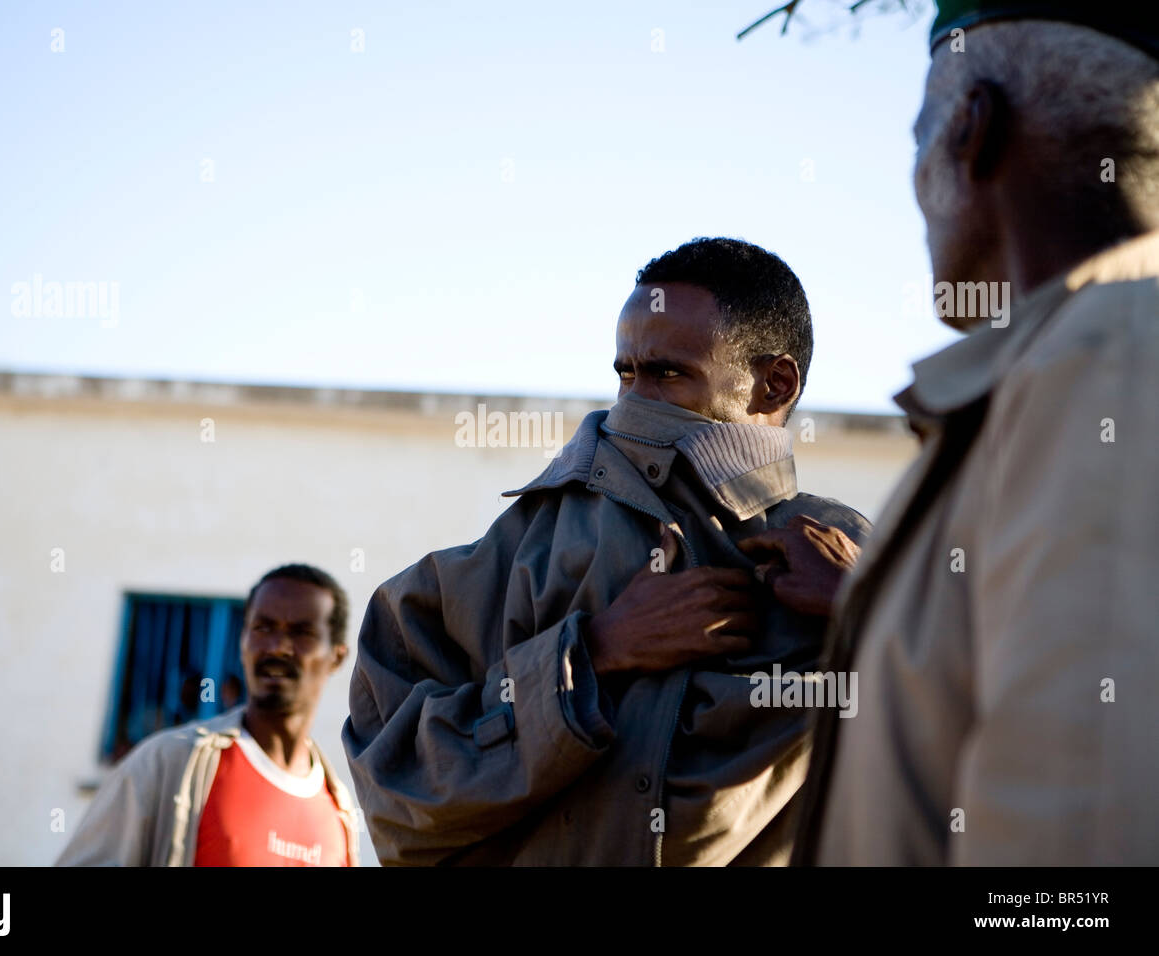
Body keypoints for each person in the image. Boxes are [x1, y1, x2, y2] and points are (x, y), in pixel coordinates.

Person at [766, 3, 1159, 864]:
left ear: (972, 129)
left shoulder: (1112, 356)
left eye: (918, 137)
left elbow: (1076, 856)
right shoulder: (1057, 368)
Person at [343, 237, 870, 865]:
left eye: (668, 373)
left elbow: (977, 754)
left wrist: (868, 609)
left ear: (773, 385)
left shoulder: (853, 560)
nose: (634, 399)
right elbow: (398, 795)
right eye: (626, 372)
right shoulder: (519, 552)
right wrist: (592, 652)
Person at [57, 564, 359, 866]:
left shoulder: (338, 811)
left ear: (337, 657)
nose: (278, 647)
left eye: (301, 633)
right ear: (242, 642)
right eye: (262, 628)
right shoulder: (167, 763)